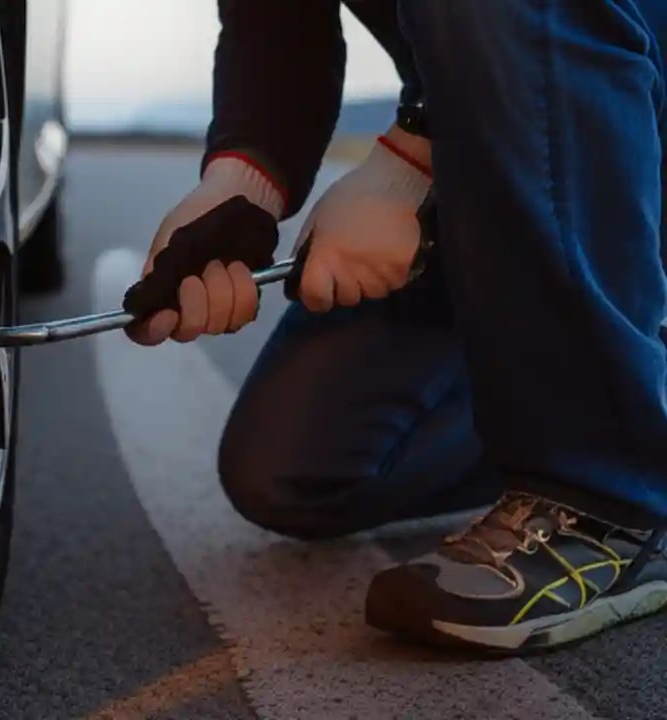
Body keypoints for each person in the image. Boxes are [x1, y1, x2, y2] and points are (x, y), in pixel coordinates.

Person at [121, 0, 667, 653]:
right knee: (296, 468)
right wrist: (239, 188)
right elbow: (274, 30)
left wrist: (413, 158)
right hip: (494, 154)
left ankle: (611, 504)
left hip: (610, 132)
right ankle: (629, 396)